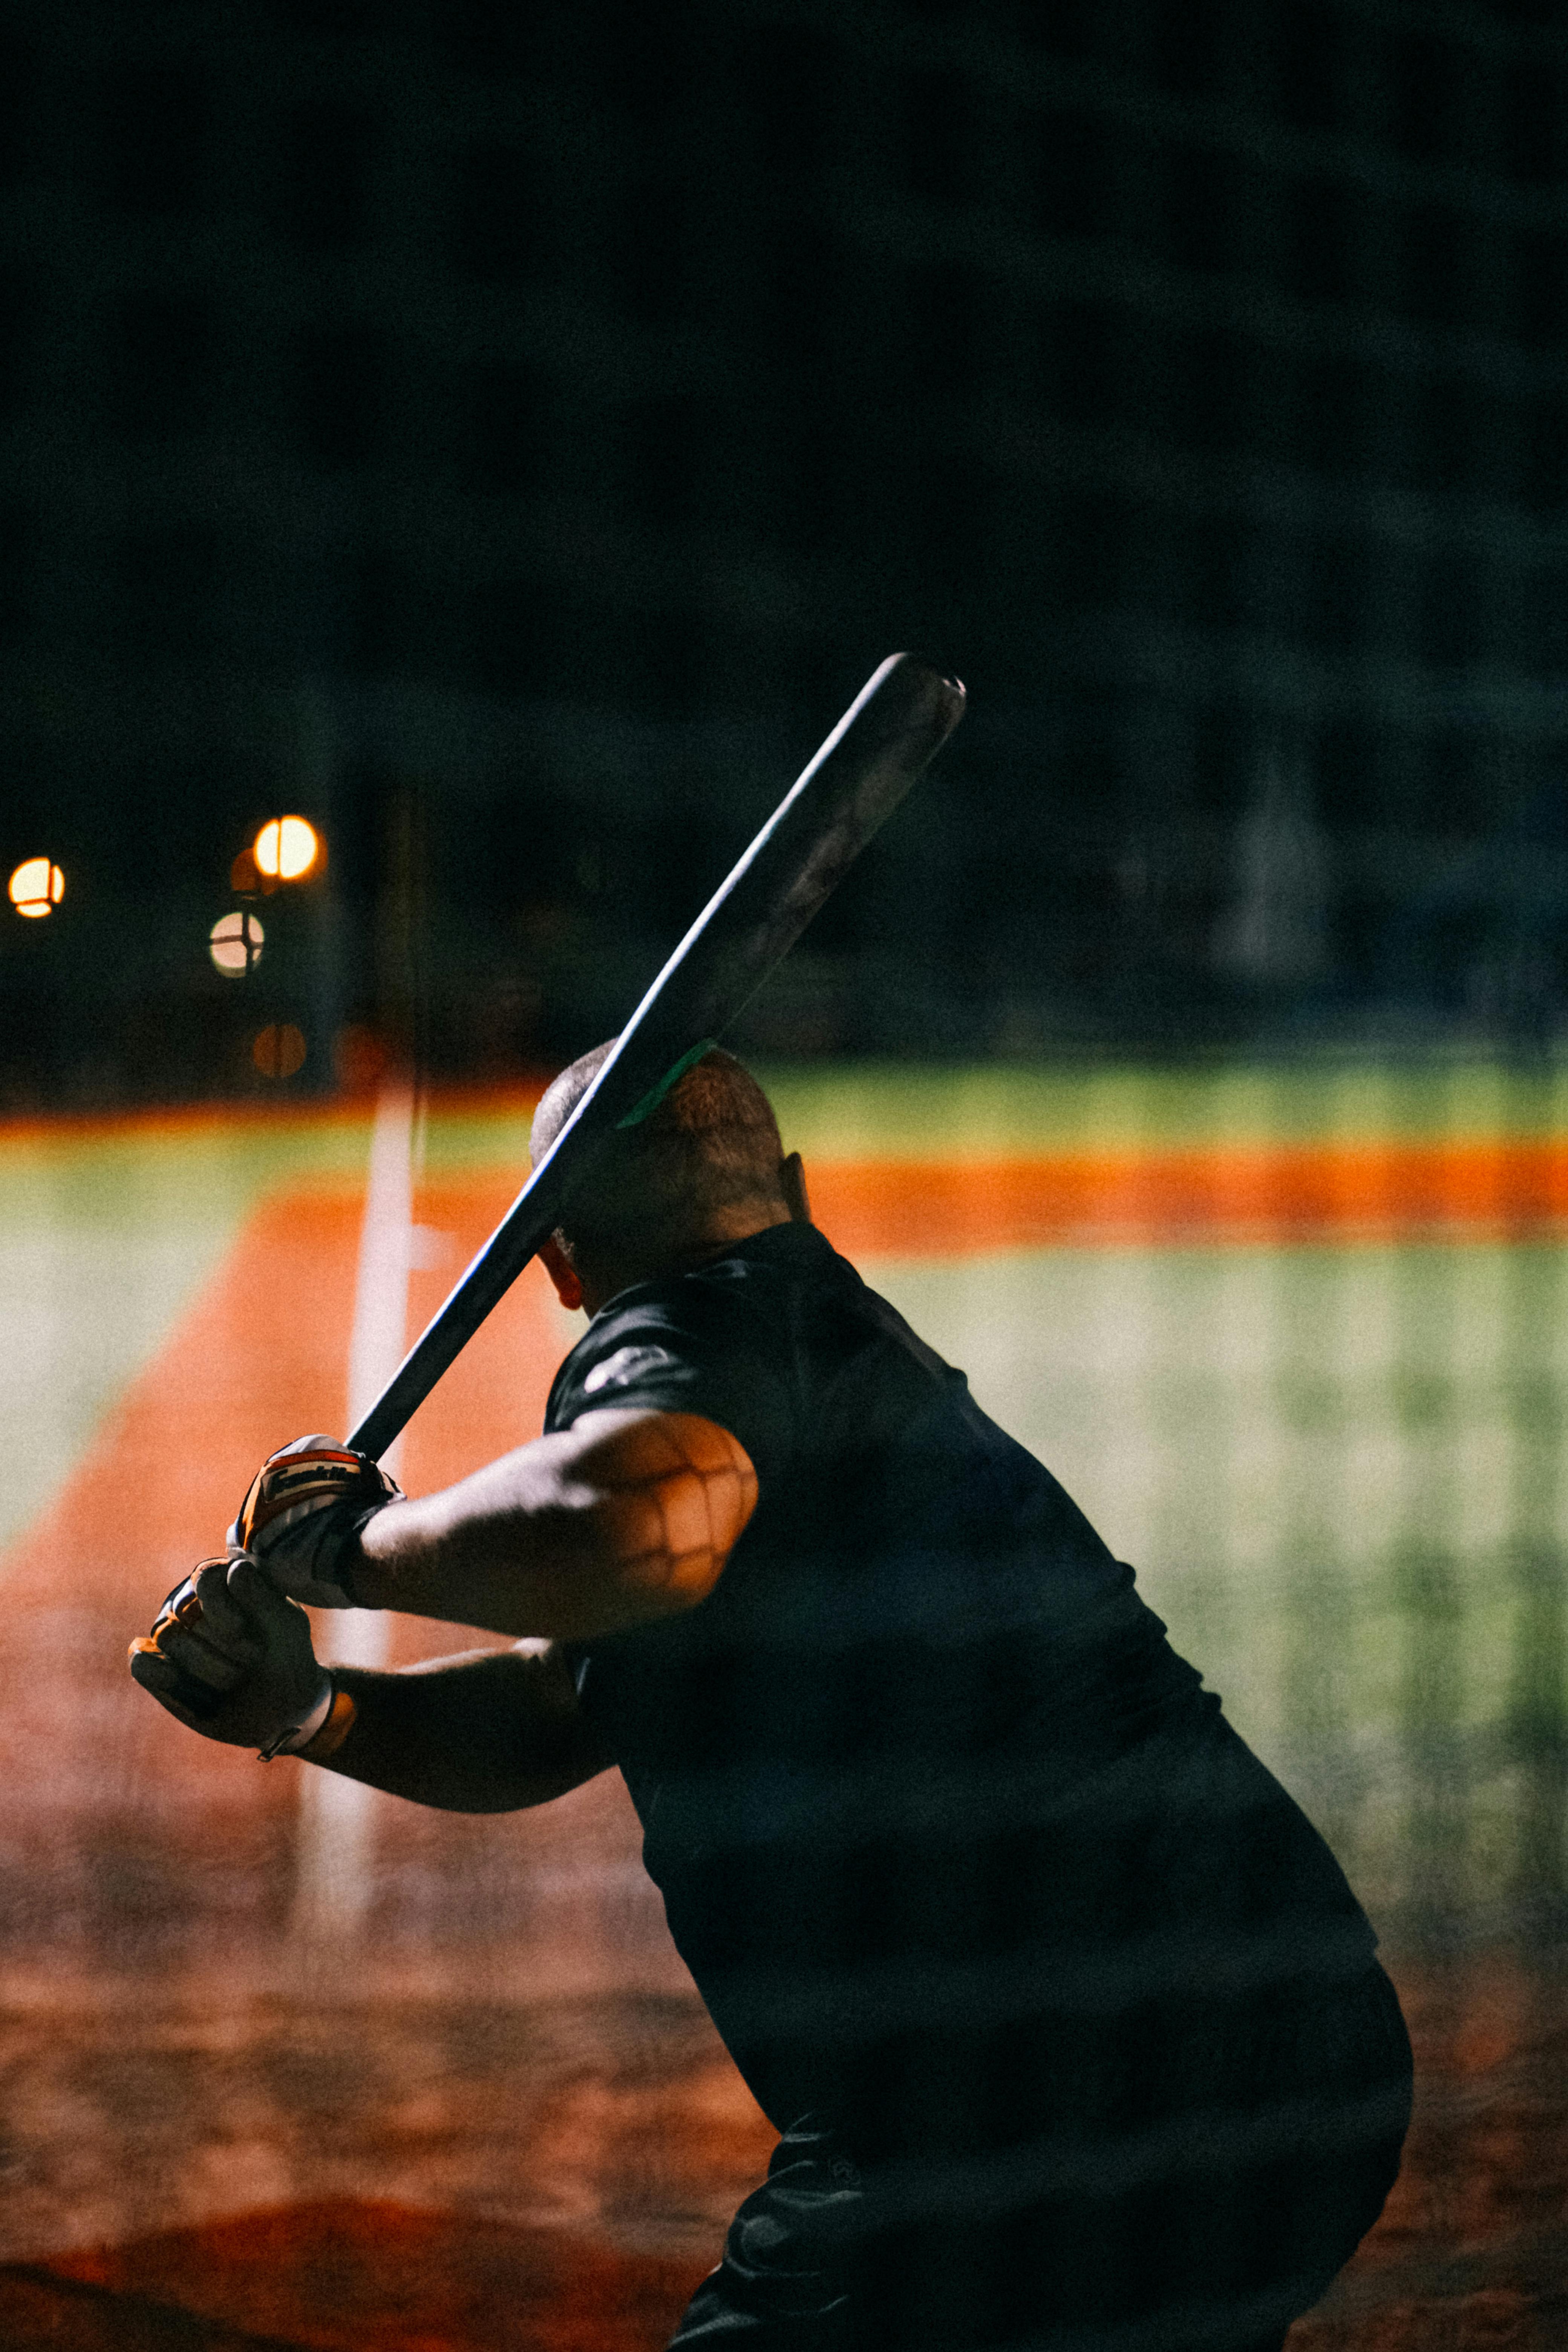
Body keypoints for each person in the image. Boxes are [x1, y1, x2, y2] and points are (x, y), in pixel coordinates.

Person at [131, 1046, 1412, 2352]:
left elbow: (641, 1525)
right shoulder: (831, 1349)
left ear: (561, 1263)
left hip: (1026, 2110)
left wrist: (347, 1554)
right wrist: (311, 1711)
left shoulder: (699, 1325)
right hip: (1295, 2052)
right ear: (791, 1187)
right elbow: (565, 1708)